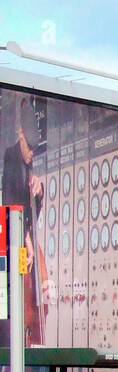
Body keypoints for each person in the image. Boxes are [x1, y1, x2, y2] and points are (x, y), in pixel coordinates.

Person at [1, 94, 46, 343]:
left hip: (20, 242)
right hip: (11, 246)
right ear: (20, 136)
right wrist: (26, 240)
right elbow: (12, 210)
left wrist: (38, 194)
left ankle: (28, 334)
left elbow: (31, 216)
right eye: (30, 149)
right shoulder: (10, 157)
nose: (32, 156)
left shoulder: (26, 165)